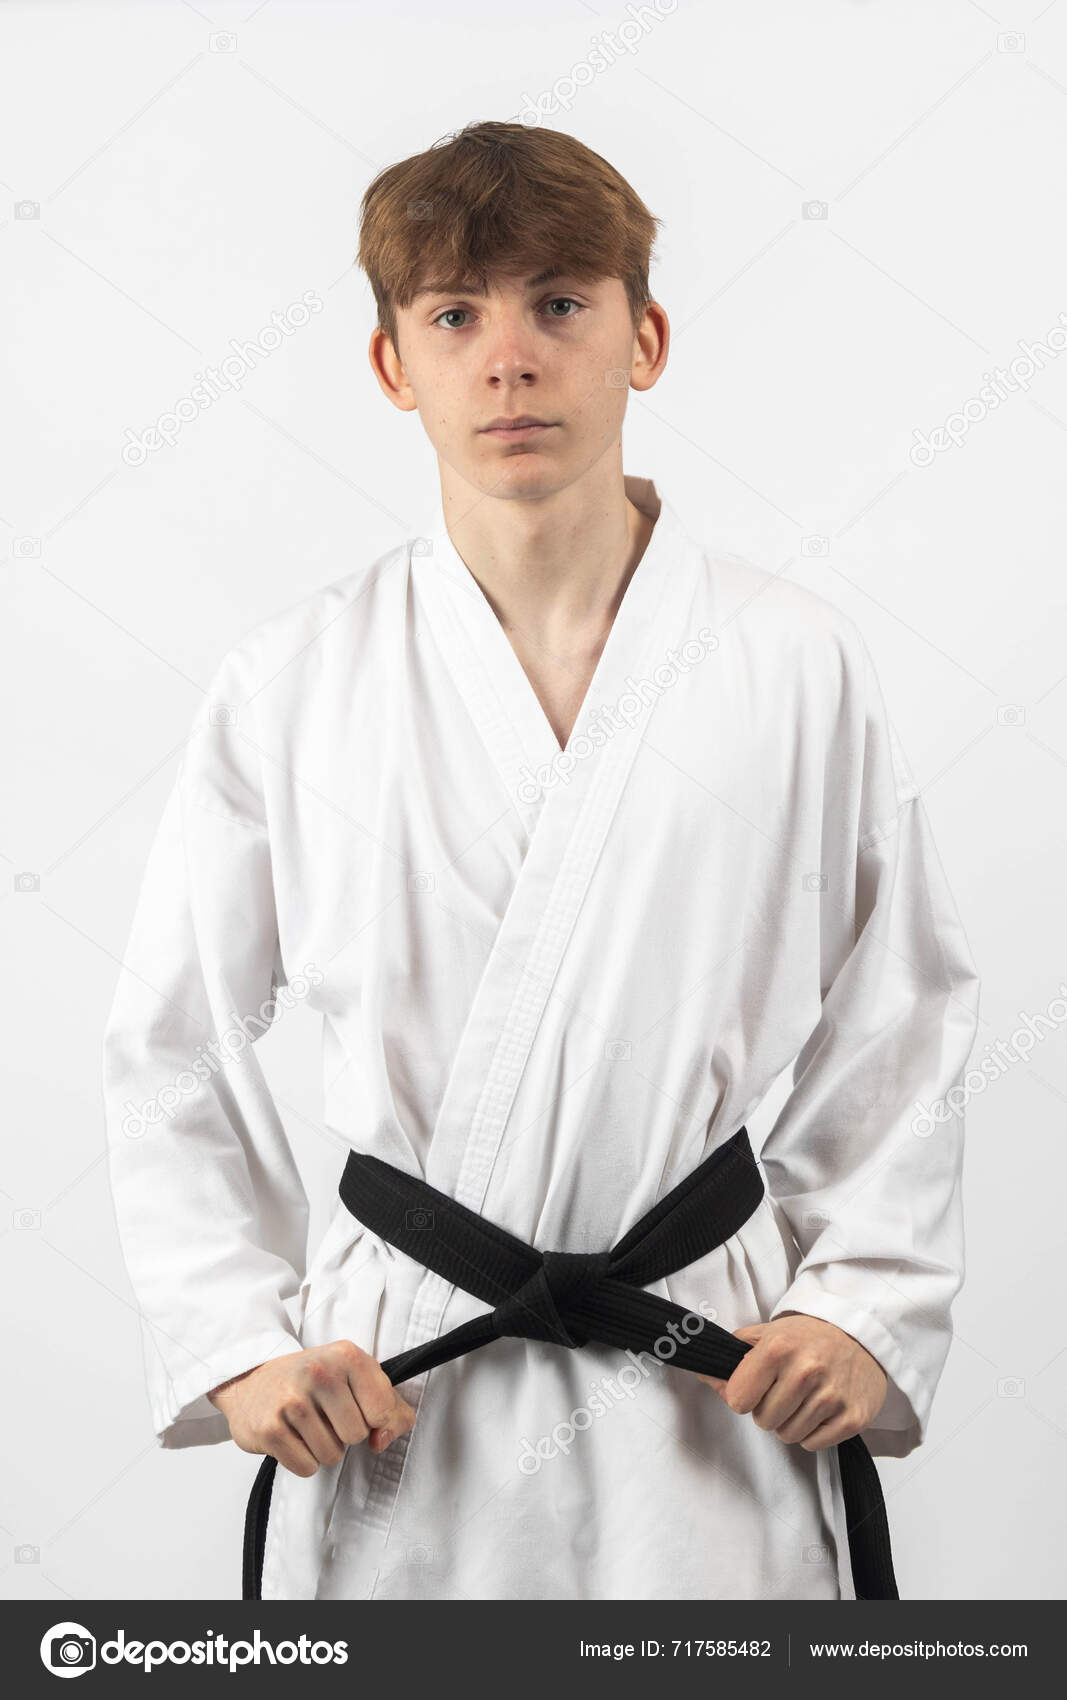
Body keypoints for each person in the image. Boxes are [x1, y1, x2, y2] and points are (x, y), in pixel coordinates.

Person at [102, 119, 980, 1602]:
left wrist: (861, 1302)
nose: (509, 359)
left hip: (708, 1383)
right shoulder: (292, 683)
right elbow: (169, 1042)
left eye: (560, 304)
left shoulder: (791, 663)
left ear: (644, 337)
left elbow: (904, 1012)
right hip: (397, 1389)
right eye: (455, 315)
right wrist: (242, 1338)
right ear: (395, 365)